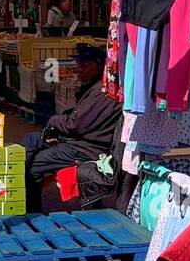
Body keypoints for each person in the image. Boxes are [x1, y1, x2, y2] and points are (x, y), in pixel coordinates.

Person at [23, 44, 120, 210]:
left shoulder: (101, 91)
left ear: (97, 67)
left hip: (85, 148)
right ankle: (17, 189)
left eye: (83, 65)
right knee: (31, 142)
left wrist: (54, 121)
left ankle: (31, 209)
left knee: (35, 165)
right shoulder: (95, 86)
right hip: (80, 141)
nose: (78, 70)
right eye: (78, 65)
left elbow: (75, 124)